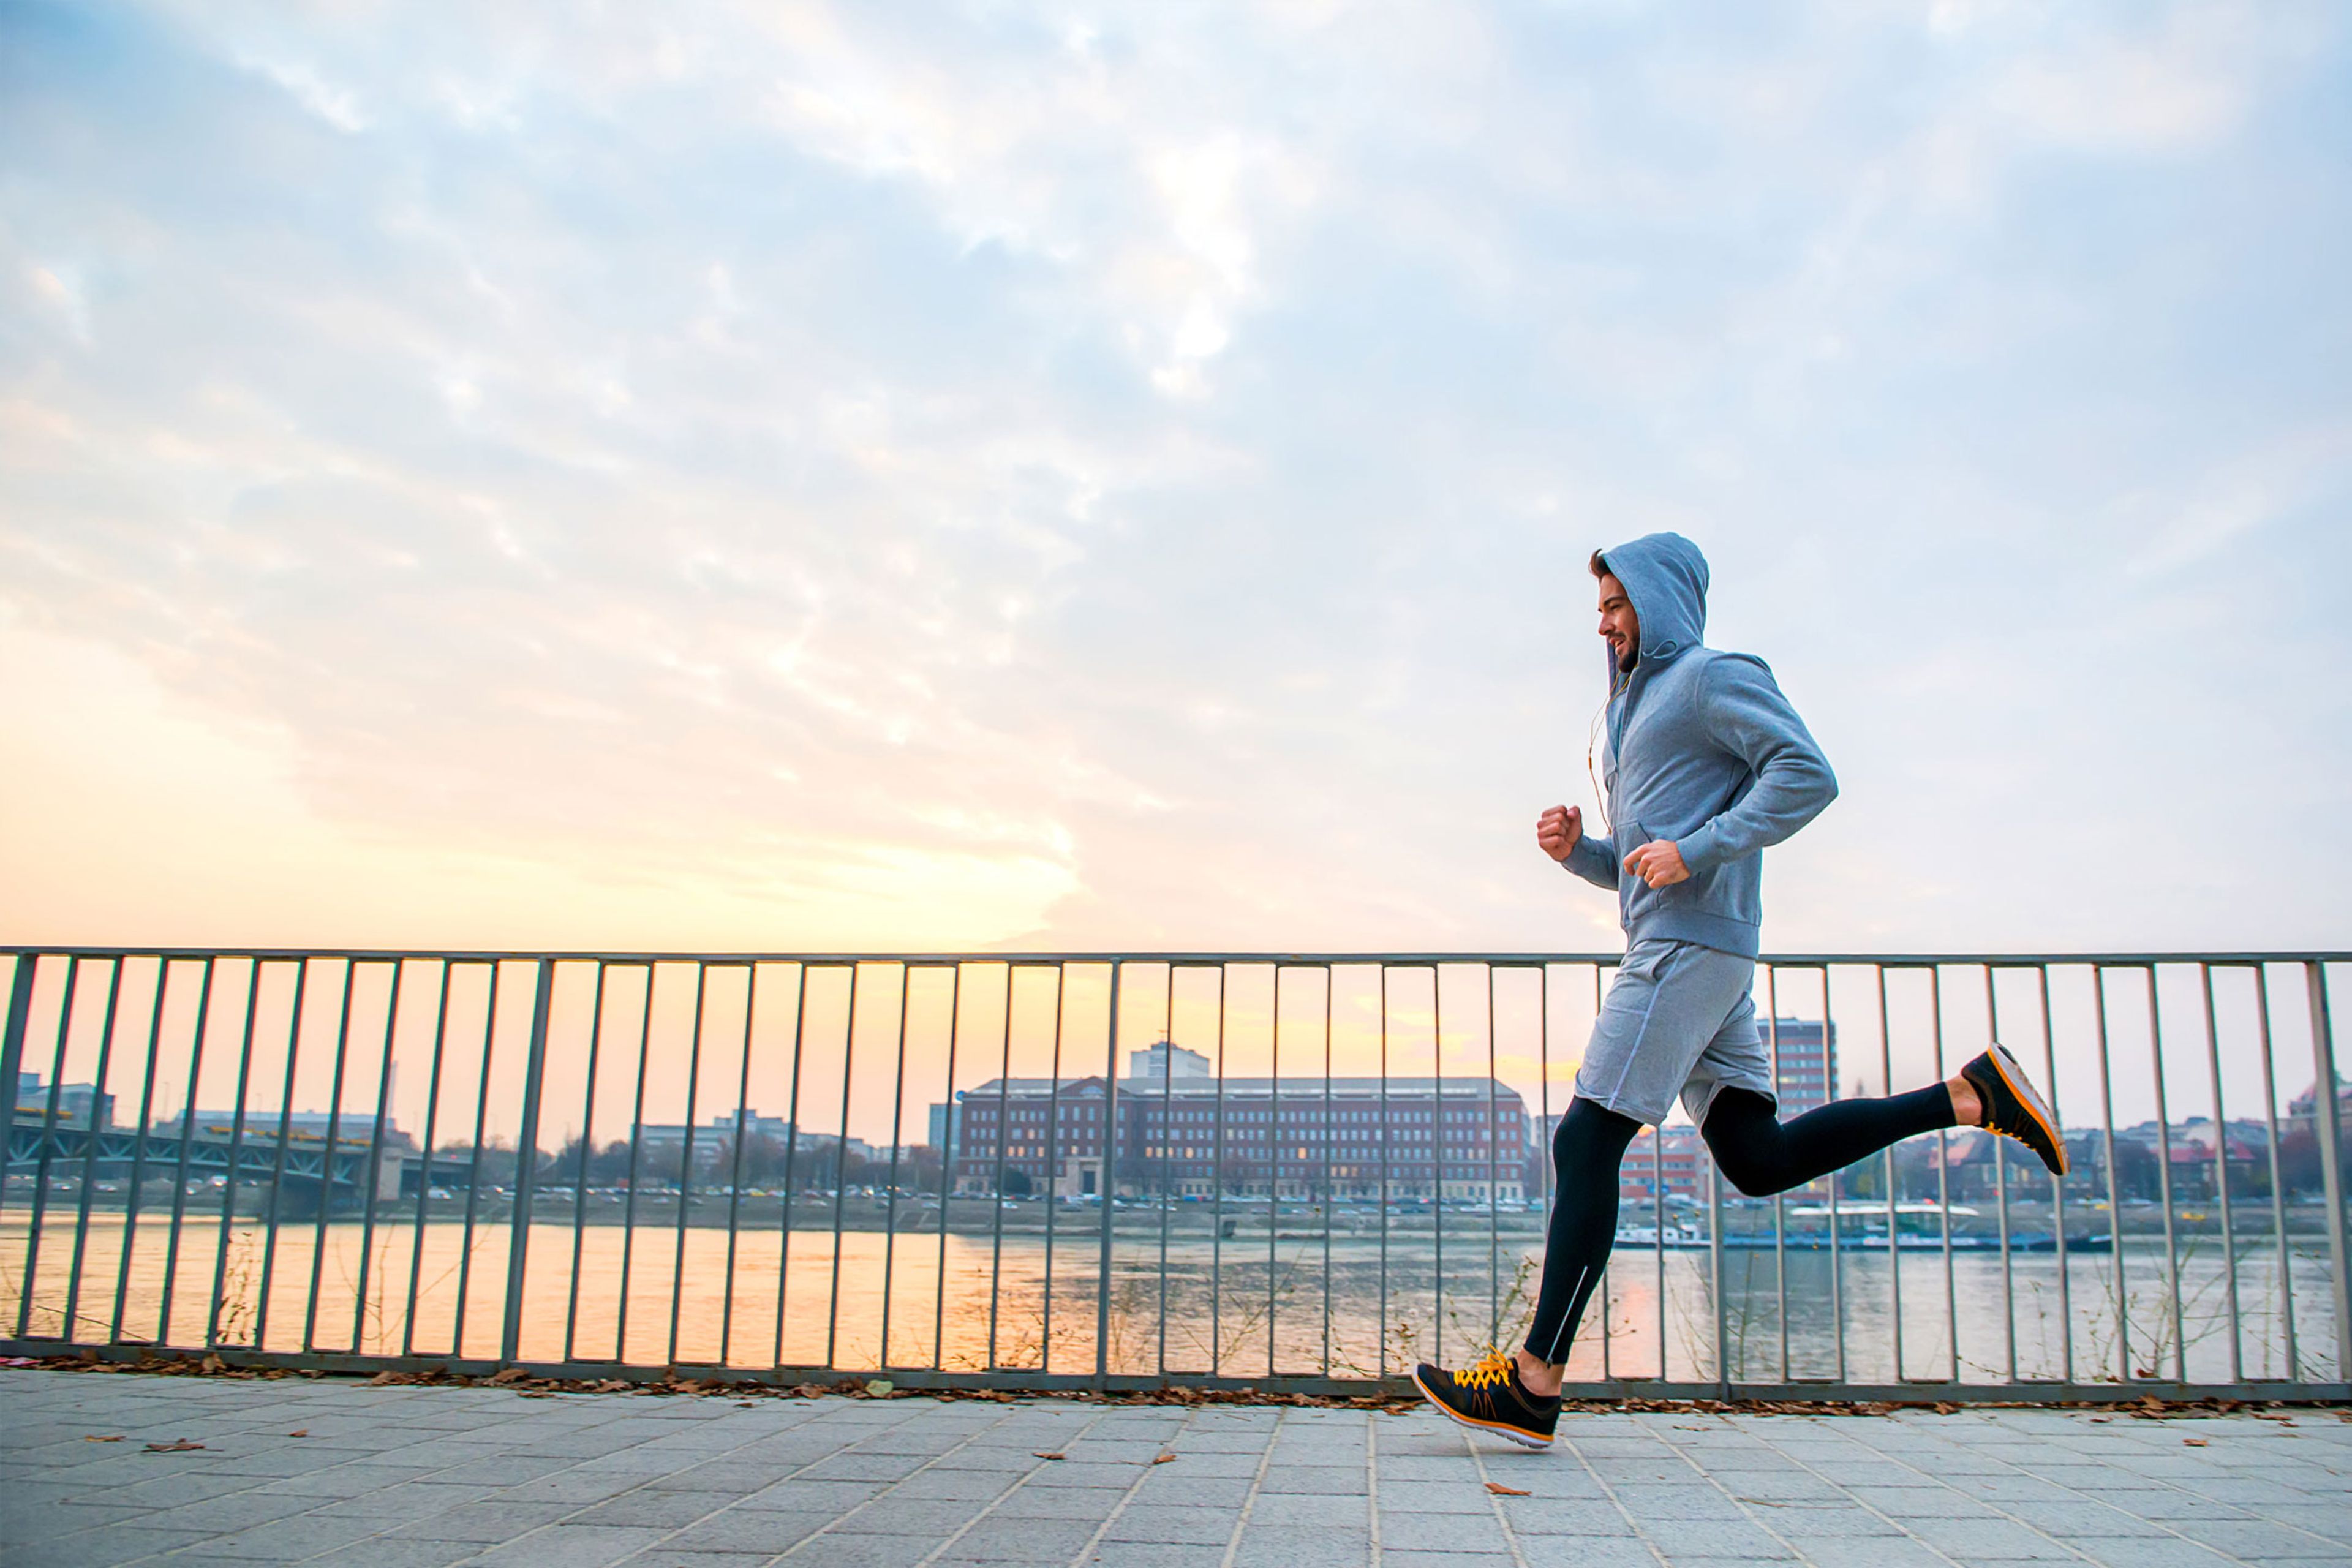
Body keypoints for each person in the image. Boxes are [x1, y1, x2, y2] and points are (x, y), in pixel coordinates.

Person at [1412, 532, 2067, 1450]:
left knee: (1586, 1137)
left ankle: (1533, 1382)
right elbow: (1648, 867)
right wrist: (1581, 856)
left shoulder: (1715, 677)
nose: (1600, 625)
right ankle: (1969, 1095)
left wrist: (1702, 847)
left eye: (1614, 604)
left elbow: (1809, 775)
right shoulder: (1628, 714)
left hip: (1686, 952)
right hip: (1690, 945)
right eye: (1599, 609)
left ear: (1659, 597)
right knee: (1756, 1161)